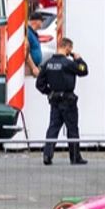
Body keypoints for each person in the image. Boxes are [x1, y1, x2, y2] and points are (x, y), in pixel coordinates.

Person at [36, 37, 89, 166]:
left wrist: (50, 93)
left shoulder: (47, 64)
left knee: (53, 128)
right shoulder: (68, 63)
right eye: (70, 49)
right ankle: (75, 157)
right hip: (68, 101)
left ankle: (47, 156)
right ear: (67, 48)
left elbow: (39, 84)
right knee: (72, 129)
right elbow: (84, 70)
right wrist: (78, 59)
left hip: (54, 101)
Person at [26, 12, 44, 77]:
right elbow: (26, 51)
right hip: (29, 67)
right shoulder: (28, 32)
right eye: (41, 20)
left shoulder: (33, 33)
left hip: (34, 66)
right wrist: (33, 67)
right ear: (36, 21)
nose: (43, 22)